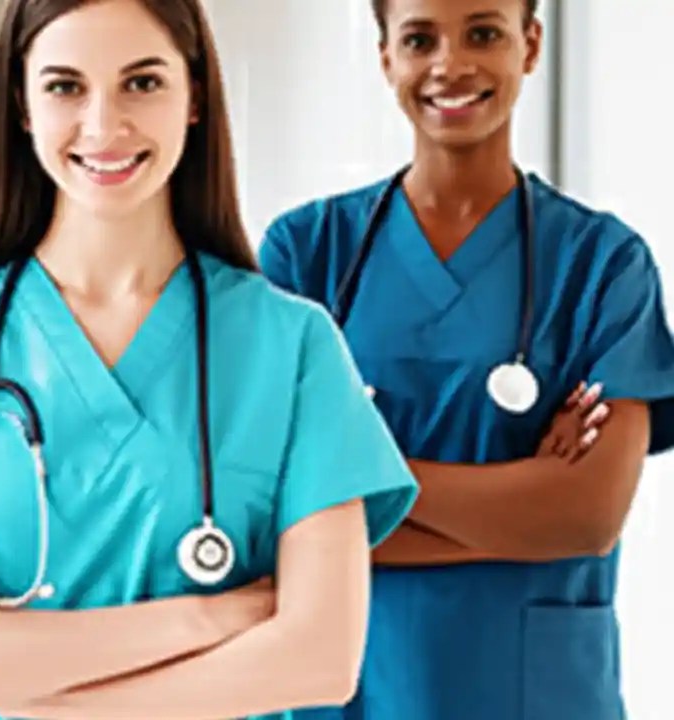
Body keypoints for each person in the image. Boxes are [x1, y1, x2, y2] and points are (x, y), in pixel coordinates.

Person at [0, 0, 419, 718]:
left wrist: (20, 686)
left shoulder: (294, 346)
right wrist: (210, 617)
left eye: (143, 83)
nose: (104, 125)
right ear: (23, 106)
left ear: (193, 97)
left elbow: (319, 660)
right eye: (66, 86)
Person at [256, 0, 674, 718]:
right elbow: (268, 518)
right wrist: (524, 502)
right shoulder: (307, 254)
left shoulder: (604, 265)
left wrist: (359, 494)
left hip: (531, 693)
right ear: (386, 56)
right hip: (349, 687)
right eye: (420, 39)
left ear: (530, 44)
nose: (450, 64)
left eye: (484, 32)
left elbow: (587, 515)